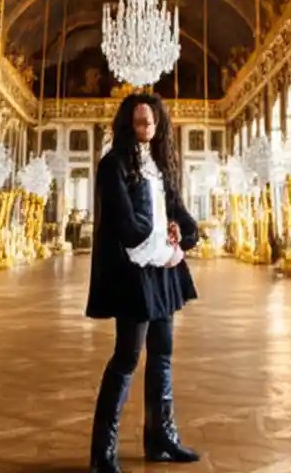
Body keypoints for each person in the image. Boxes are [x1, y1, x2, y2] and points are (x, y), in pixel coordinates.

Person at [86, 93, 201, 472]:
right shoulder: (113, 165)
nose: (146, 129)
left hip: (163, 270)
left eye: (151, 122)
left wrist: (181, 239)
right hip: (133, 271)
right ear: (126, 124)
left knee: (163, 355)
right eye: (138, 122)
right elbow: (126, 226)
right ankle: (103, 451)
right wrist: (165, 249)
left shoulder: (161, 166)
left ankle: (161, 437)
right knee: (126, 357)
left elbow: (182, 217)